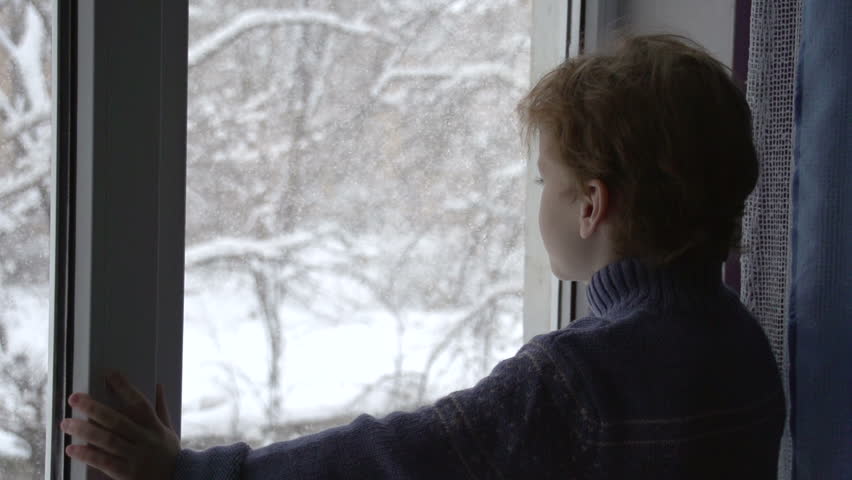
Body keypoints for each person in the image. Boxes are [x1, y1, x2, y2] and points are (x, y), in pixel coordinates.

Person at [59, 34, 786, 479]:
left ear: (591, 205)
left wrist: (196, 473)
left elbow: (399, 460)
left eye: (548, 182)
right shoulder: (744, 345)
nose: (542, 200)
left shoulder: (579, 381)